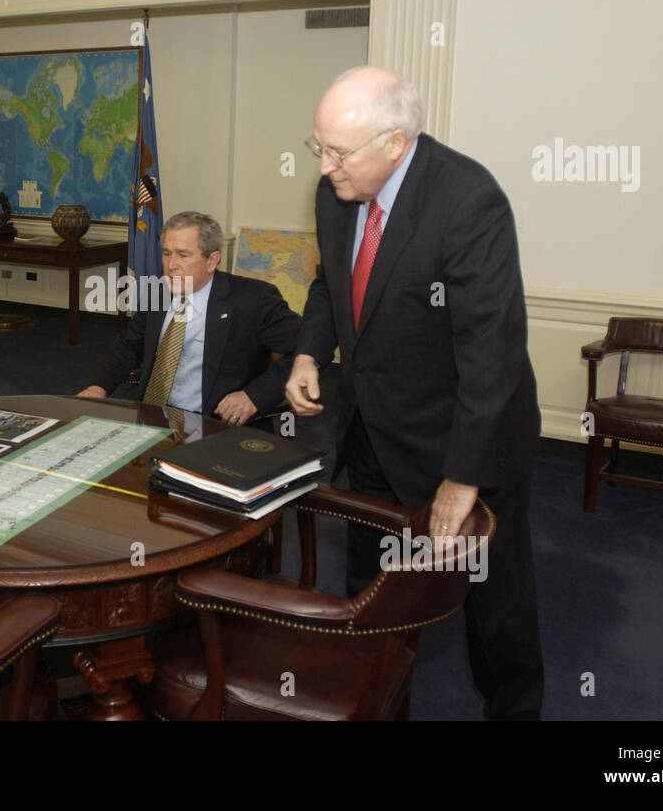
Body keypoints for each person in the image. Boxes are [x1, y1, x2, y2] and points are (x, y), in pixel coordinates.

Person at [284, 67, 543, 719]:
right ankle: (378, 702)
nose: (324, 167)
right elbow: (328, 286)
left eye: (338, 152)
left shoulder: (468, 201)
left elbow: (492, 352)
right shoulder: (337, 193)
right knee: (371, 593)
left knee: (494, 608)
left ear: (395, 143)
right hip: (372, 426)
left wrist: (462, 477)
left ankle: (514, 708)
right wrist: (311, 351)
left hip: (465, 439)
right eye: (319, 147)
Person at [78, 211, 300, 426]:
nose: (171, 265)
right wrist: (98, 386)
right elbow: (128, 346)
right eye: (166, 253)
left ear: (212, 261)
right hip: (150, 415)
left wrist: (253, 396)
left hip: (213, 424)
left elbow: (309, 349)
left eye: (183, 255)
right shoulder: (158, 290)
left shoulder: (253, 300)